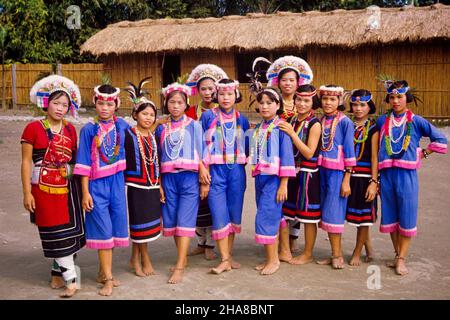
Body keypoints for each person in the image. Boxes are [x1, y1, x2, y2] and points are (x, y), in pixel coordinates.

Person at [22, 75, 85, 298]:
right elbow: (26, 161)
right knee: (55, 233)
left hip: (69, 189)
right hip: (44, 190)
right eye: (56, 103)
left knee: (69, 234)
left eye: (65, 105)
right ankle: (71, 280)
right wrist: (27, 192)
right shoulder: (33, 128)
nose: (60, 108)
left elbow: (75, 161)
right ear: (46, 103)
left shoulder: (70, 131)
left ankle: (57, 272)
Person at [377, 80, 447, 275]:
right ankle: (397, 252)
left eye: (399, 97)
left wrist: (423, 153)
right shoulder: (382, 120)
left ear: (407, 98)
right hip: (387, 174)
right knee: (390, 214)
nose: (396, 101)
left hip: (407, 175)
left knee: (406, 214)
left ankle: (402, 259)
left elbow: (441, 139)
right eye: (392, 97)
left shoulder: (416, 121)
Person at [74, 84, 129, 296]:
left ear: (117, 105)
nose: (105, 108)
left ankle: (102, 271)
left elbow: (144, 126)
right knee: (104, 231)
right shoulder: (88, 129)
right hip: (96, 186)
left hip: (116, 182)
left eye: (109, 104)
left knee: (113, 231)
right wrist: (85, 192)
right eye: (100, 103)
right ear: (94, 103)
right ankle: (108, 278)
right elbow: (84, 162)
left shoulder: (122, 126)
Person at [200, 78, 249, 274]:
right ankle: (225, 258)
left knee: (233, 214)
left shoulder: (242, 119)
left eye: (229, 94)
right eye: (222, 94)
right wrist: (203, 174)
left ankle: (227, 257)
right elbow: (200, 145)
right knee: (219, 214)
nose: (226, 98)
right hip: (215, 173)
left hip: (237, 172)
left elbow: (245, 148)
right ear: (216, 95)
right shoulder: (207, 117)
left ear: (236, 95)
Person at [155, 83, 203, 284]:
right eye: (172, 102)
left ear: (186, 105)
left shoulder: (194, 125)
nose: (175, 106)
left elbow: (202, 154)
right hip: (168, 179)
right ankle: (181, 257)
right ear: (166, 103)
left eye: (180, 102)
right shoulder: (161, 128)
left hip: (189, 178)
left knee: (185, 219)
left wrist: (205, 180)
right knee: (173, 220)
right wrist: (159, 183)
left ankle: (180, 265)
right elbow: (156, 156)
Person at [266, 55, 314, 251]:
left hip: (299, 160)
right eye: (284, 79)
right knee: (279, 200)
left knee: (296, 199)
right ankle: (278, 240)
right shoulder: (273, 101)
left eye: (291, 80)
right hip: (277, 158)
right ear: (278, 81)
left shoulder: (303, 103)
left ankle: (292, 240)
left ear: (298, 81)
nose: (287, 83)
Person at [249, 86, 296, 275]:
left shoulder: (281, 127)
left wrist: (284, 183)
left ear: (278, 105)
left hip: (275, 180)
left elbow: (287, 157)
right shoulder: (259, 128)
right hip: (261, 178)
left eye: (270, 103)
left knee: (266, 217)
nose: (265, 106)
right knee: (272, 215)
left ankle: (273, 260)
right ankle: (279, 254)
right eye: (262, 103)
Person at [186, 64, 228, 260]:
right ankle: (201, 242)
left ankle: (211, 244)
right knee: (196, 202)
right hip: (194, 163)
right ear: (197, 90)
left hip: (215, 165)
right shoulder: (190, 112)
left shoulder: (223, 111)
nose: (208, 92)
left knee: (212, 203)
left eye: (211, 88)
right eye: (203, 88)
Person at [124, 78, 164, 277]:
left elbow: (157, 163)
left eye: (152, 115)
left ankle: (134, 258)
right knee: (139, 224)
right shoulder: (128, 134)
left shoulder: (154, 136)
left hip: (153, 185)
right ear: (135, 114)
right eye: (144, 114)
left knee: (148, 224)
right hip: (136, 186)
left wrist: (160, 186)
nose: (148, 118)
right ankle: (144, 260)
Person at [278, 84, 322, 265]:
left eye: (306, 100)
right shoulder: (292, 119)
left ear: (313, 102)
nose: (302, 104)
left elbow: (309, 152)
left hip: (308, 174)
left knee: (308, 217)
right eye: (299, 99)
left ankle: (307, 253)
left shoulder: (315, 123)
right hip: (291, 172)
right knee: (287, 212)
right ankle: (285, 249)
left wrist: (292, 134)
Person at [315, 85, 356, 270]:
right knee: (325, 213)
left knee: (334, 213)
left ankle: (337, 255)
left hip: (337, 173)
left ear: (340, 101)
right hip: (321, 171)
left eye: (332, 99)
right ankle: (332, 253)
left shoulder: (345, 122)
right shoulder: (321, 120)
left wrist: (347, 179)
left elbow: (349, 150)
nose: (328, 103)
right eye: (325, 99)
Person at [345, 89, 379, 266]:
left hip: (365, 178)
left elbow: (374, 157)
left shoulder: (373, 128)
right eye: (355, 104)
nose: (358, 108)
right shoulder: (346, 124)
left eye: (362, 105)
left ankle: (357, 252)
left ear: (369, 106)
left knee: (364, 219)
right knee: (354, 216)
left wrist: (374, 182)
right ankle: (369, 247)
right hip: (348, 176)